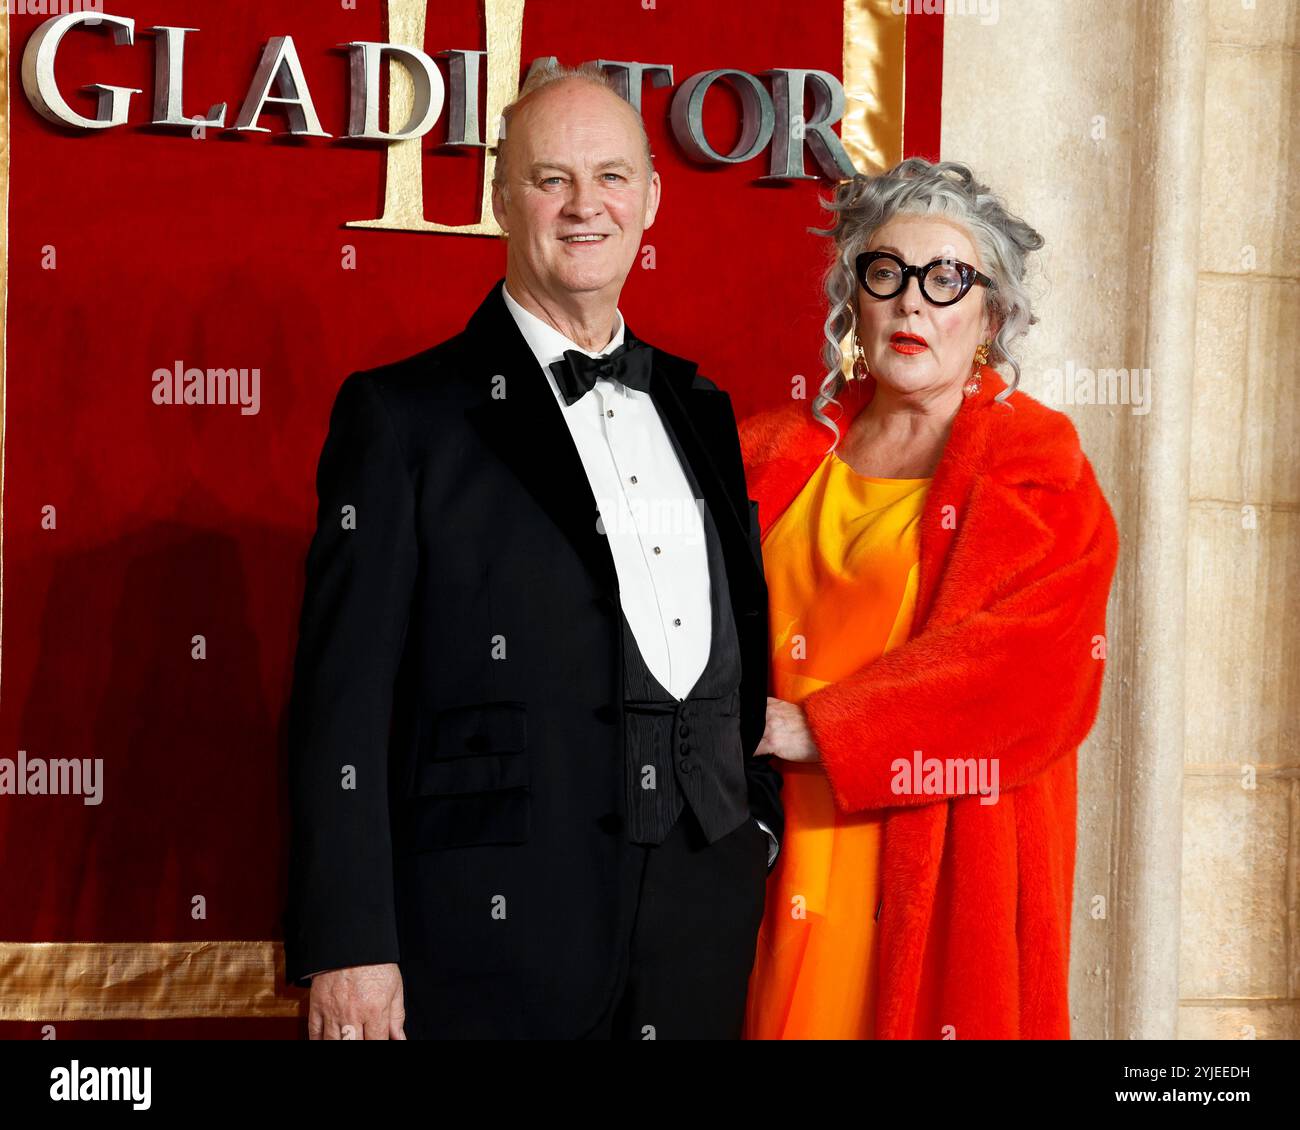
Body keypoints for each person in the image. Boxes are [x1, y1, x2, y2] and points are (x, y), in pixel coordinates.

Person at [282, 61, 783, 1040]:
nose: (583, 205)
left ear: (651, 198)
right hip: (486, 937)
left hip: (697, 922)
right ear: (499, 198)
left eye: (609, 177)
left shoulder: (702, 404)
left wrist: (749, 825)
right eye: (551, 178)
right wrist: (348, 938)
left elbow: (739, 637)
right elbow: (338, 703)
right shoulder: (400, 416)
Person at [739, 158, 1119, 1039]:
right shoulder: (768, 451)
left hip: (930, 853)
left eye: (947, 280)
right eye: (887, 273)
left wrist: (818, 729)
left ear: (991, 315)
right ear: (853, 301)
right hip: (769, 848)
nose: (913, 302)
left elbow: (1036, 680)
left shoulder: (1037, 464)